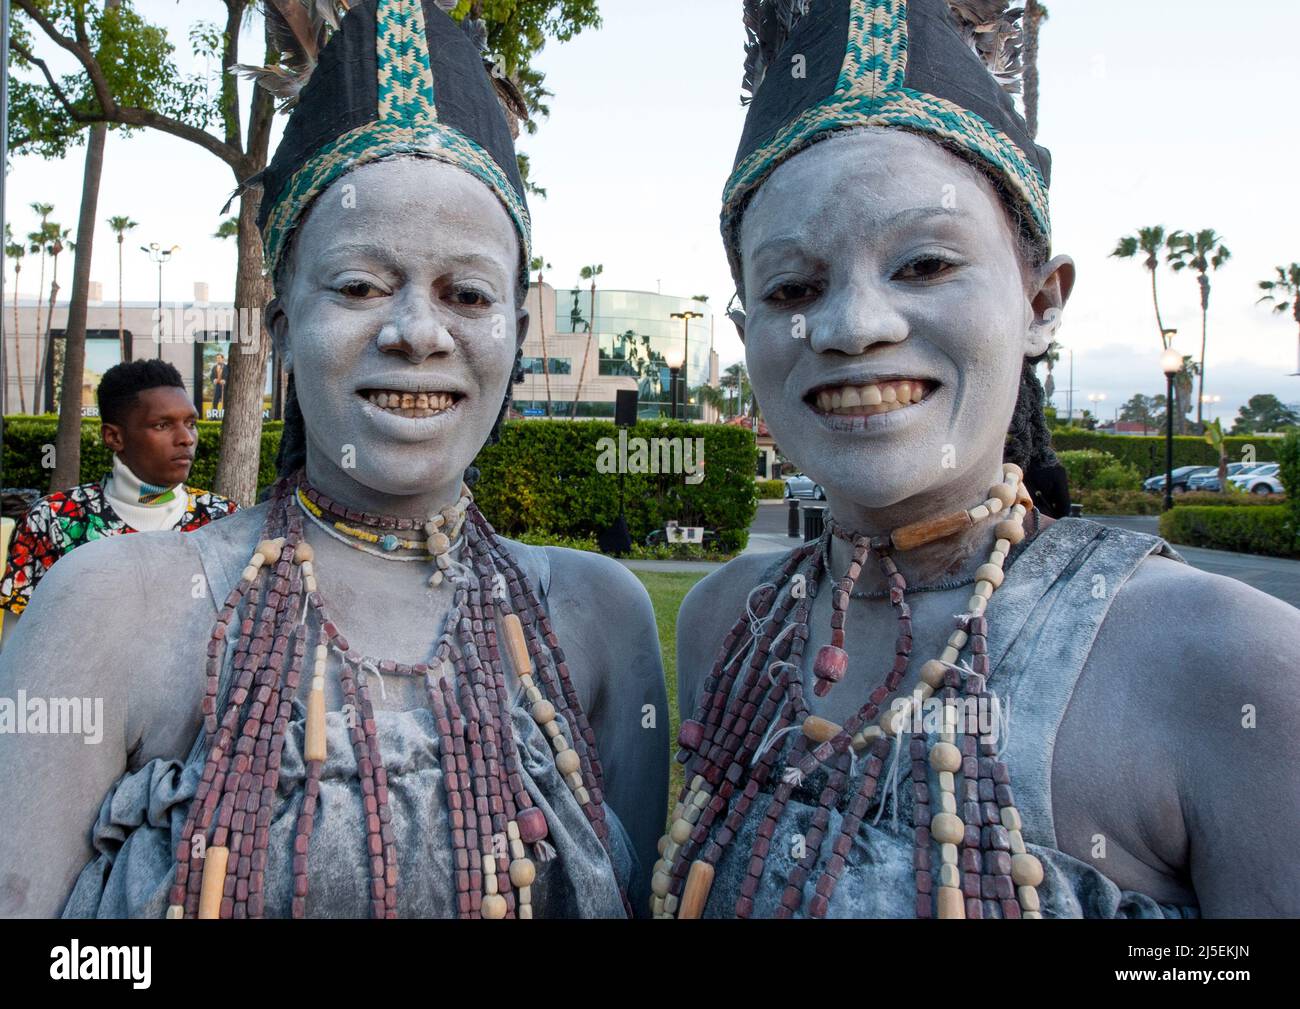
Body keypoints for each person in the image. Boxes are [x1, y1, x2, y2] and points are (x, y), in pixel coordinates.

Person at [0, 0, 666, 919]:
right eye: (358, 285)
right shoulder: (110, 607)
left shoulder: (598, 623)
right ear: (280, 330)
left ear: (515, 330)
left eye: (465, 293)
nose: (416, 332)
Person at [663, 0, 1300, 919]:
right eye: (795, 286)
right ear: (747, 329)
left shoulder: (1236, 668)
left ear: (1043, 301)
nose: (853, 327)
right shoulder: (725, 625)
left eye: (923, 265)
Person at [0, 359, 237, 621]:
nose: (187, 438)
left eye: (191, 423)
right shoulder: (55, 520)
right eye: (162, 425)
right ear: (114, 437)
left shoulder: (222, 519)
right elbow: (17, 647)